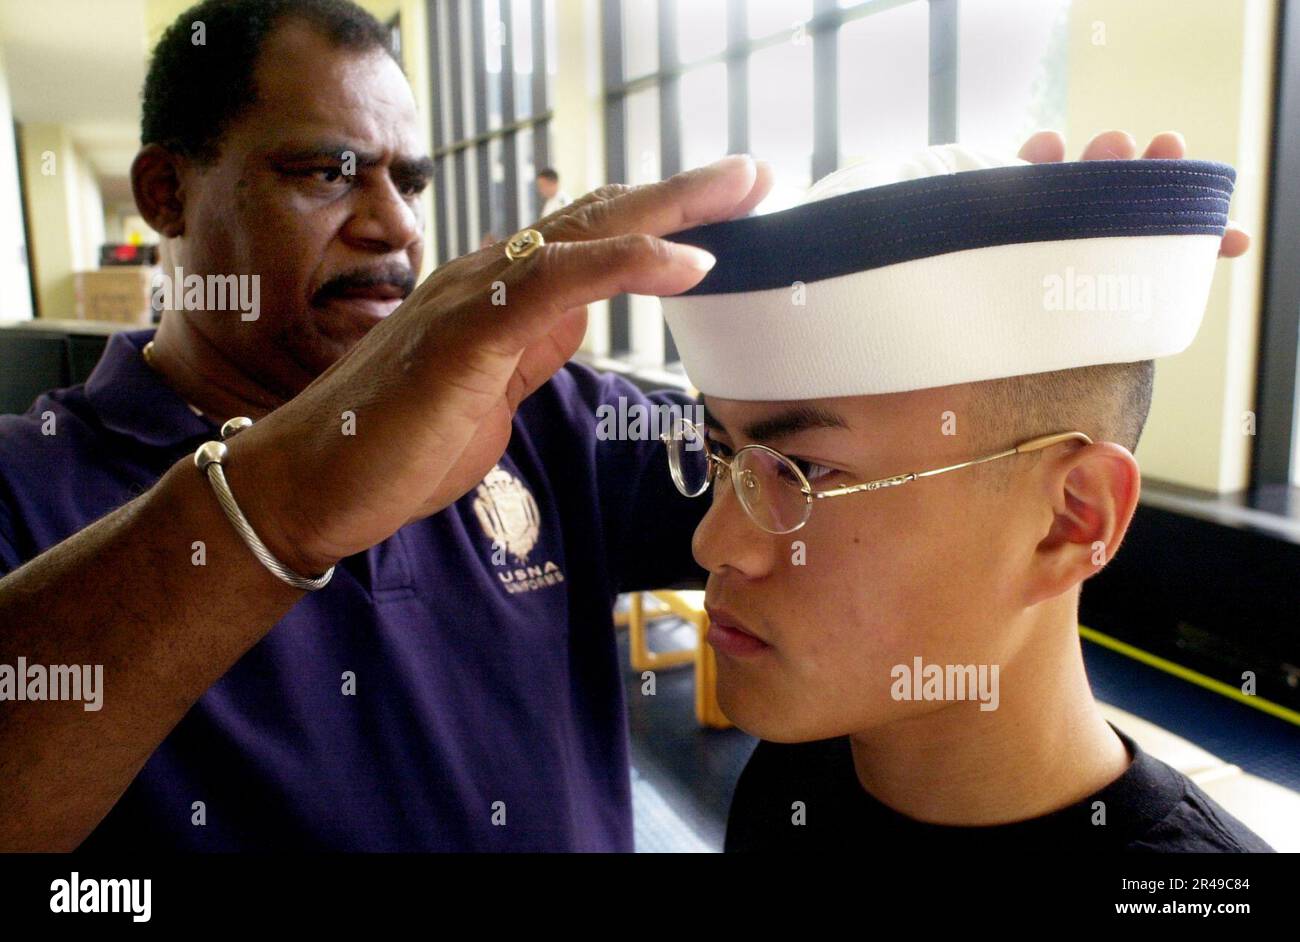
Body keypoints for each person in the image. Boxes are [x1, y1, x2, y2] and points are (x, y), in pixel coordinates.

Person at [0, 0, 764, 852]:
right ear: (166, 193)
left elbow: (812, 488)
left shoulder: (544, 413)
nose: (396, 225)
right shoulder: (26, 487)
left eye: (409, 182)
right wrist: (276, 508)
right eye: (328, 172)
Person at [657, 143, 1271, 853]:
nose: (713, 543)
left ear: (1072, 522)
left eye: (802, 470)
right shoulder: (794, 779)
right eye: (725, 454)